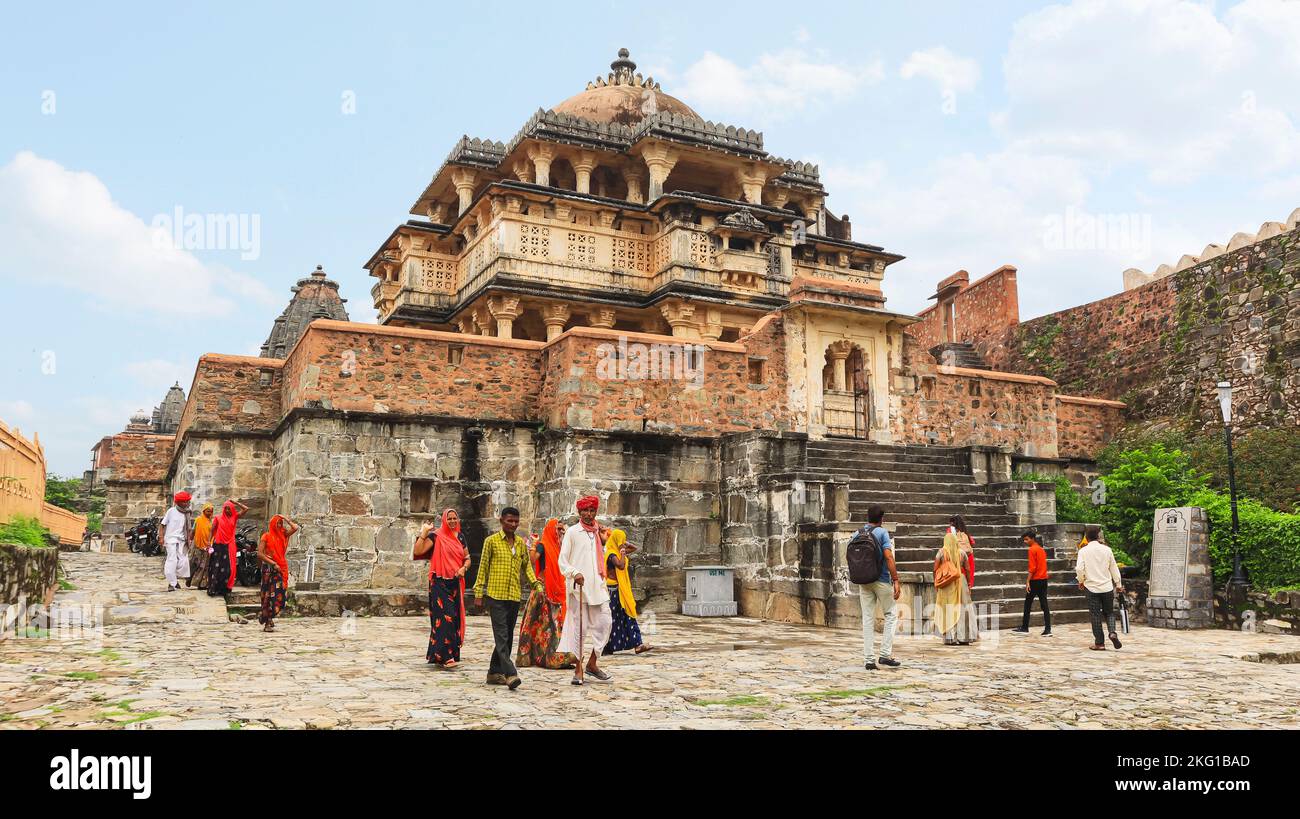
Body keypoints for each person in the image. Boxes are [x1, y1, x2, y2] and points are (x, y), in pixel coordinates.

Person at [473, 507, 544, 690]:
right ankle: (510, 673)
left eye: (515, 521)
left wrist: (536, 585)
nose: (513, 524)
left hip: (513, 595)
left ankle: (493, 673)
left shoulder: (520, 543)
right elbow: (483, 567)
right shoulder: (491, 542)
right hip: (496, 595)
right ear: (501, 521)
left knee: (507, 636)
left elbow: (527, 567)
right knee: (502, 635)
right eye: (509, 521)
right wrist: (479, 592)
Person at [557, 495, 613, 686]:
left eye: (592, 511)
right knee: (578, 630)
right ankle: (578, 669)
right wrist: (574, 573)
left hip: (597, 586)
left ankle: (593, 663)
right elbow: (562, 561)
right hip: (578, 588)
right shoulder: (572, 532)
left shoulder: (598, 532)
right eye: (585, 511)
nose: (589, 514)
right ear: (579, 512)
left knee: (606, 623)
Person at [516, 518, 577, 670]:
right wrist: (533, 544)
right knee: (543, 626)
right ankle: (544, 656)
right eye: (558, 529)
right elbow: (532, 560)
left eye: (562, 530)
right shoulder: (543, 545)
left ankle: (551, 654)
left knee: (550, 626)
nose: (560, 532)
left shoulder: (558, 547)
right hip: (542, 591)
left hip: (554, 591)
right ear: (551, 529)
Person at [414, 509, 471, 669]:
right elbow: (418, 550)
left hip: (455, 582)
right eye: (449, 519)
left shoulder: (460, 537)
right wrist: (424, 532)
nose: (452, 521)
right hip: (439, 583)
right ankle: (446, 657)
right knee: (446, 618)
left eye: (455, 518)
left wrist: (463, 569)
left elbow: (467, 559)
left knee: (454, 619)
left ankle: (442, 654)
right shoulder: (436, 536)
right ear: (445, 520)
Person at [855, 506, 900, 670]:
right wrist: (895, 579)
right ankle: (885, 654)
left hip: (864, 580)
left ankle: (868, 659)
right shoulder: (882, 533)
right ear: (882, 519)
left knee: (867, 619)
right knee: (891, 614)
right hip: (881, 579)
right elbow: (888, 556)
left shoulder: (857, 533)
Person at [601, 527, 653, 656]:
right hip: (613, 590)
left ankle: (637, 644)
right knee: (614, 619)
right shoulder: (611, 554)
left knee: (627, 615)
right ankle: (608, 646)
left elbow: (634, 548)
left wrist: (625, 544)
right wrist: (623, 552)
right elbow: (621, 565)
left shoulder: (617, 551)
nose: (622, 543)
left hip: (620, 589)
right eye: (620, 540)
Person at [1076, 524, 1124, 651]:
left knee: (1095, 615)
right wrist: (1118, 585)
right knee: (1109, 612)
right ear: (1098, 536)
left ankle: (1100, 643)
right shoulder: (1107, 550)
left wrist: (1081, 580)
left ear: (1086, 537)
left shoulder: (1083, 551)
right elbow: (1113, 567)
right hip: (1107, 587)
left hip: (1091, 587)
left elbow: (1079, 568)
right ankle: (1112, 632)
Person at [256, 515, 299, 632]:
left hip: (280, 568)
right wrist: (273, 563)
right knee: (268, 595)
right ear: (272, 524)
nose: (279, 525)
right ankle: (268, 621)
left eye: (281, 523)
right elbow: (260, 554)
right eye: (277, 523)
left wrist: (286, 520)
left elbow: (295, 528)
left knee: (280, 595)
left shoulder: (283, 535)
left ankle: (267, 617)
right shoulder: (266, 536)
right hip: (269, 569)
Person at [934, 528, 976, 645]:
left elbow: (935, 569)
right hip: (960, 581)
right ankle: (964, 638)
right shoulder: (962, 553)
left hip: (947, 582)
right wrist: (968, 583)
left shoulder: (941, 552)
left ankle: (950, 638)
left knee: (948, 608)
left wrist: (936, 583)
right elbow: (967, 569)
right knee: (963, 609)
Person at [206, 499, 249, 598]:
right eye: (226, 509)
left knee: (228, 569)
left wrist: (236, 503)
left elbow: (246, 509)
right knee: (215, 567)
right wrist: (209, 542)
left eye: (229, 509)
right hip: (218, 545)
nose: (227, 511)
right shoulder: (218, 518)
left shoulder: (234, 517)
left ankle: (224, 589)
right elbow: (212, 530)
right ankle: (213, 589)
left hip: (229, 545)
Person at [1012, 530, 1052, 636]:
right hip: (1044, 579)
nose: (1025, 541)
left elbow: (1032, 567)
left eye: (1026, 539)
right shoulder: (1041, 549)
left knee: (1028, 603)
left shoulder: (1032, 550)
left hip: (1035, 580)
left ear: (1032, 538)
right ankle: (1048, 629)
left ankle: (1025, 627)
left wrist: (1027, 581)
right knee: (1044, 604)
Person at [159, 491, 193, 592]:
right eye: (185, 501)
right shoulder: (171, 511)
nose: (187, 503)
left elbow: (188, 528)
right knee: (172, 560)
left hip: (182, 540)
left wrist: (189, 539)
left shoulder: (187, 513)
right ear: (179, 502)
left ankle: (174, 578)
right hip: (171, 539)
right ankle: (171, 583)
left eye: (187, 501)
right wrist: (161, 537)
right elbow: (162, 525)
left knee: (183, 561)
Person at [190, 503, 214, 590]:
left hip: (208, 545)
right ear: (204, 511)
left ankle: (202, 584)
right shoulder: (198, 520)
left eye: (211, 511)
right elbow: (193, 531)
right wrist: (189, 541)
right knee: (196, 564)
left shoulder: (211, 521)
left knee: (205, 565)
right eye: (208, 511)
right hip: (197, 545)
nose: (209, 513)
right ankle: (190, 580)